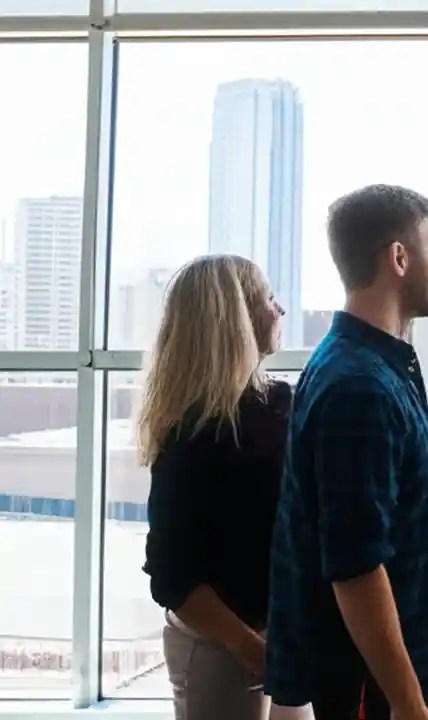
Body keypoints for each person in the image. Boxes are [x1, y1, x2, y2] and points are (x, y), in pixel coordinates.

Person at [266, 185, 428, 720]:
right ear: (399, 257)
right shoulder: (359, 385)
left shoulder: (377, 366)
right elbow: (355, 564)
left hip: (385, 676)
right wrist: (405, 701)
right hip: (370, 684)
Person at [139, 254, 291, 720]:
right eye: (269, 298)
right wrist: (247, 646)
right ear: (237, 320)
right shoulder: (193, 434)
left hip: (277, 636)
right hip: (218, 645)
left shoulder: (281, 403)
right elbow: (172, 574)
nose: (280, 309)